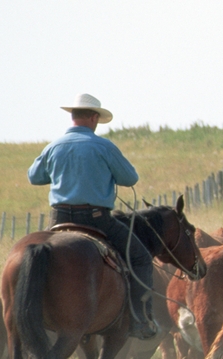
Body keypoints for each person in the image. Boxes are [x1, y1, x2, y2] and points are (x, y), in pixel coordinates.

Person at [27, 93, 158, 340]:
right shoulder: (104, 147)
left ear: (73, 116)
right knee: (141, 258)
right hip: (97, 219)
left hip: (59, 220)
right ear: (94, 117)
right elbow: (130, 178)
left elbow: (34, 176)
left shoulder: (53, 146)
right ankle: (140, 320)